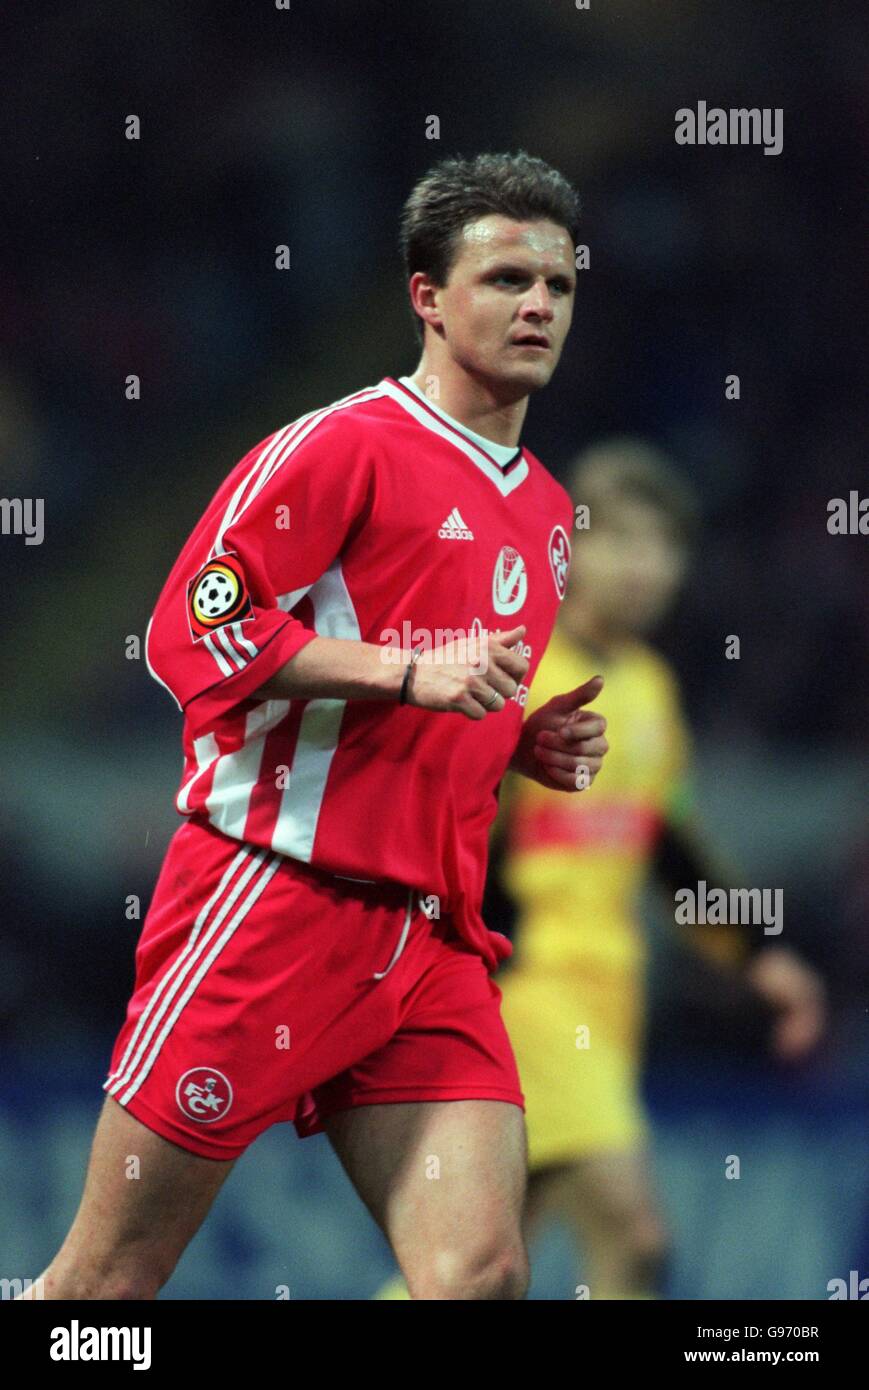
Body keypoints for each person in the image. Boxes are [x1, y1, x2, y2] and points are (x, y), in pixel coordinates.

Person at [18, 151, 612, 1302]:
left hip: (430, 943)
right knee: (102, 1289)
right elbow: (192, 635)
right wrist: (408, 673)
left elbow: (439, 699)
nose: (538, 304)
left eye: (558, 284)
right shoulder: (341, 446)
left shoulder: (544, 510)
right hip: (273, 904)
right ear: (425, 297)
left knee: (479, 1274)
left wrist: (514, 735)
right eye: (503, 279)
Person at [494, 440, 827, 1299]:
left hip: (609, 1003)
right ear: (573, 548)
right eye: (625, 543)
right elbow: (460, 835)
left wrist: (759, 956)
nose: (648, 569)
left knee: (482, 1270)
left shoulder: (647, 688)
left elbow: (667, 850)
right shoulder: (518, 669)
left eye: (666, 549)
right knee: (634, 1235)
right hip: (524, 993)